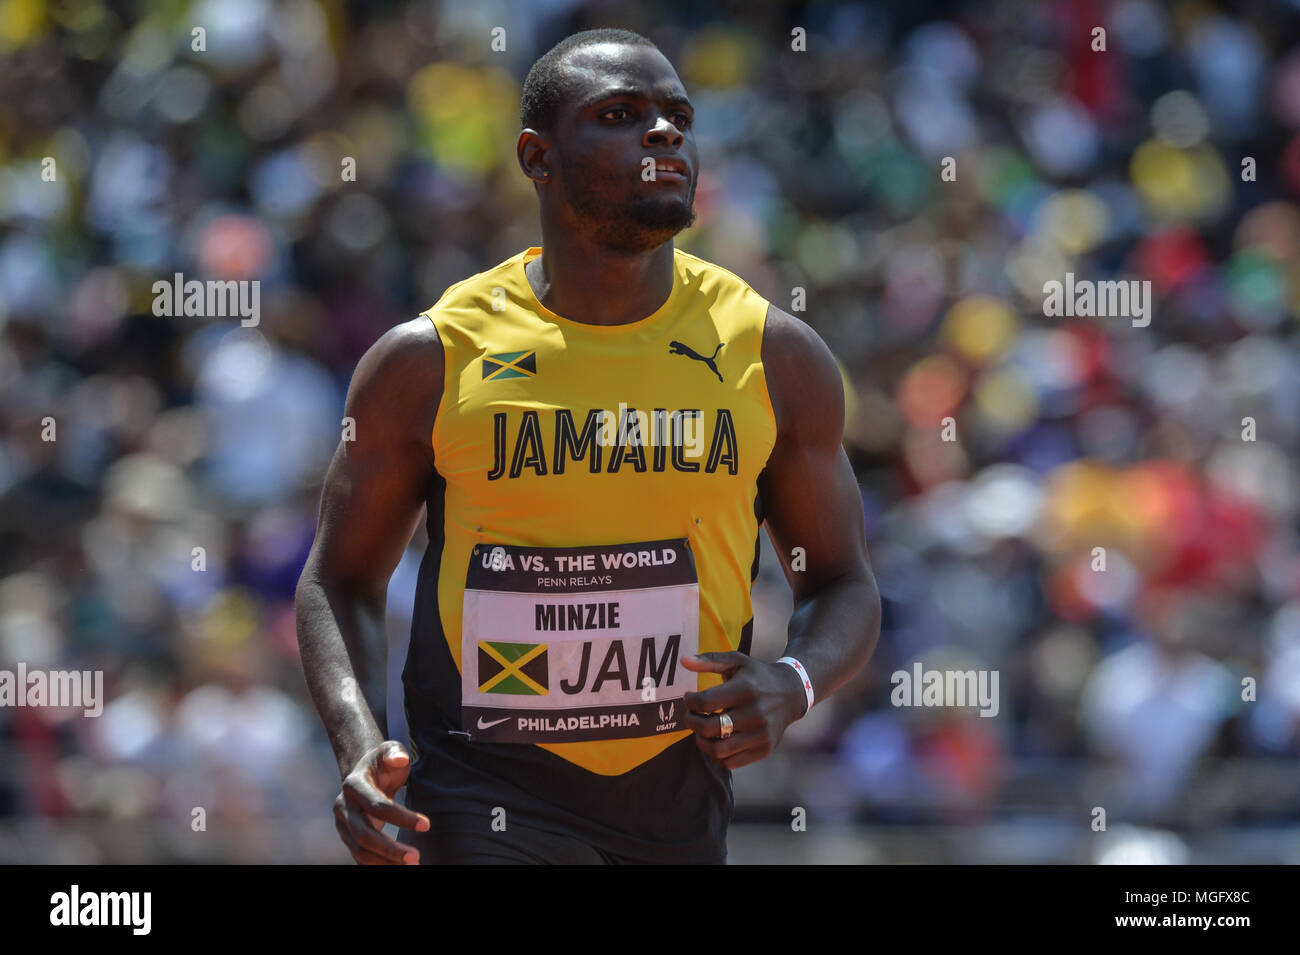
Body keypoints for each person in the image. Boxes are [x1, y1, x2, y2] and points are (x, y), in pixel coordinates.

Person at [295, 27, 881, 865]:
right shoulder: (431, 358)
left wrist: (793, 682)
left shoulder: (773, 355)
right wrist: (360, 744)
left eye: (678, 115)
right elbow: (339, 578)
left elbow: (843, 582)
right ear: (539, 157)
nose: (665, 132)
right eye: (621, 114)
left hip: (678, 794)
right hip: (483, 786)